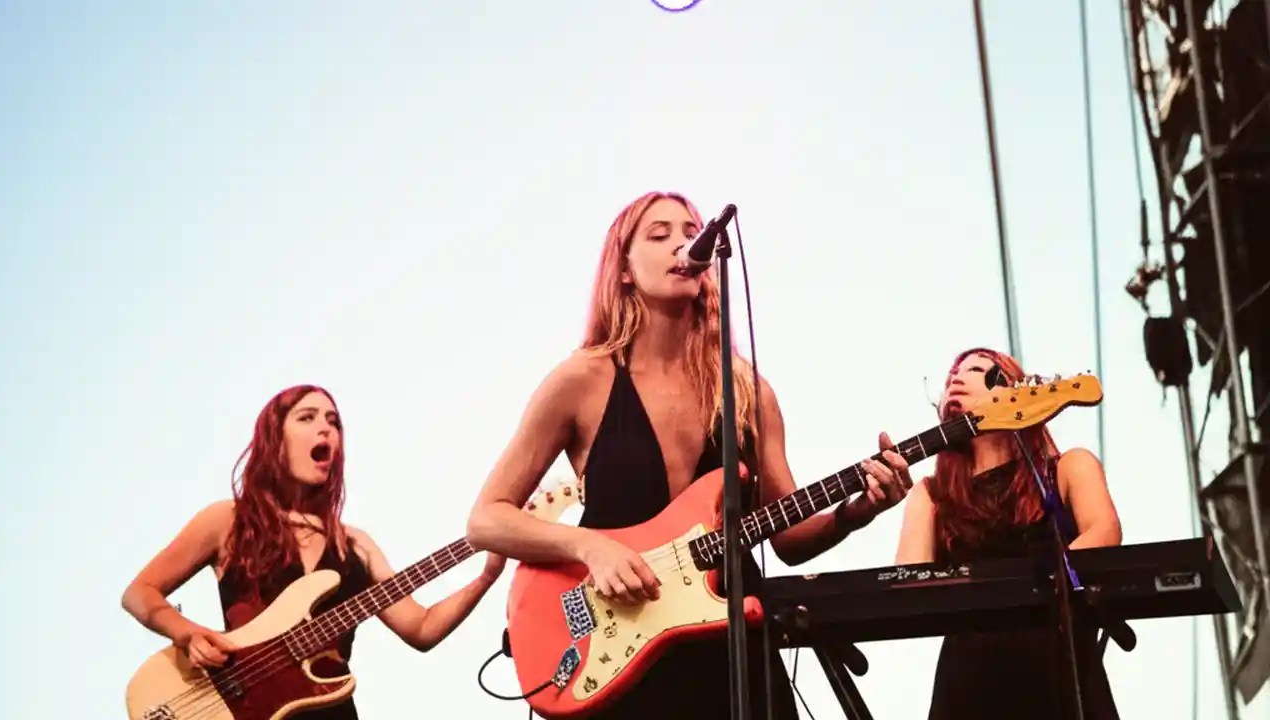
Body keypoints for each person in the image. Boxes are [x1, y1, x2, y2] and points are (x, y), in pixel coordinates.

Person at [465, 191, 912, 720]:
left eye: (690, 230)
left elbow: (788, 537)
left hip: (729, 654)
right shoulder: (581, 381)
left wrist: (856, 511)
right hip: (617, 653)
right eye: (659, 235)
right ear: (624, 270)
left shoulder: (746, 391)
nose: (683, 243)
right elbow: (486, 519)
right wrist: (590, 548)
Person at [122, 384, 503, 719]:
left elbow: (421, 628)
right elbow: (139, 593)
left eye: (334, 421)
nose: (327, 428)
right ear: (276, 438)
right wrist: (189, 634)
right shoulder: (228, 520)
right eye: (307, 417)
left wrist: (487, 574)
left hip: (330, 712)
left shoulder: (355, 545)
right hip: (239, 705)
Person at [894, 348, 1123, 719]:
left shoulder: (1067, 467)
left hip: (1057, 659)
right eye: (953, 372)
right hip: (969, 678)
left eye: (976, 370)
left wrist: (1037, 588)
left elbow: (1105, 530)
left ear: (1012, 388)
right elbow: (908, 580)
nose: (956, 378)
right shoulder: (931, 494)